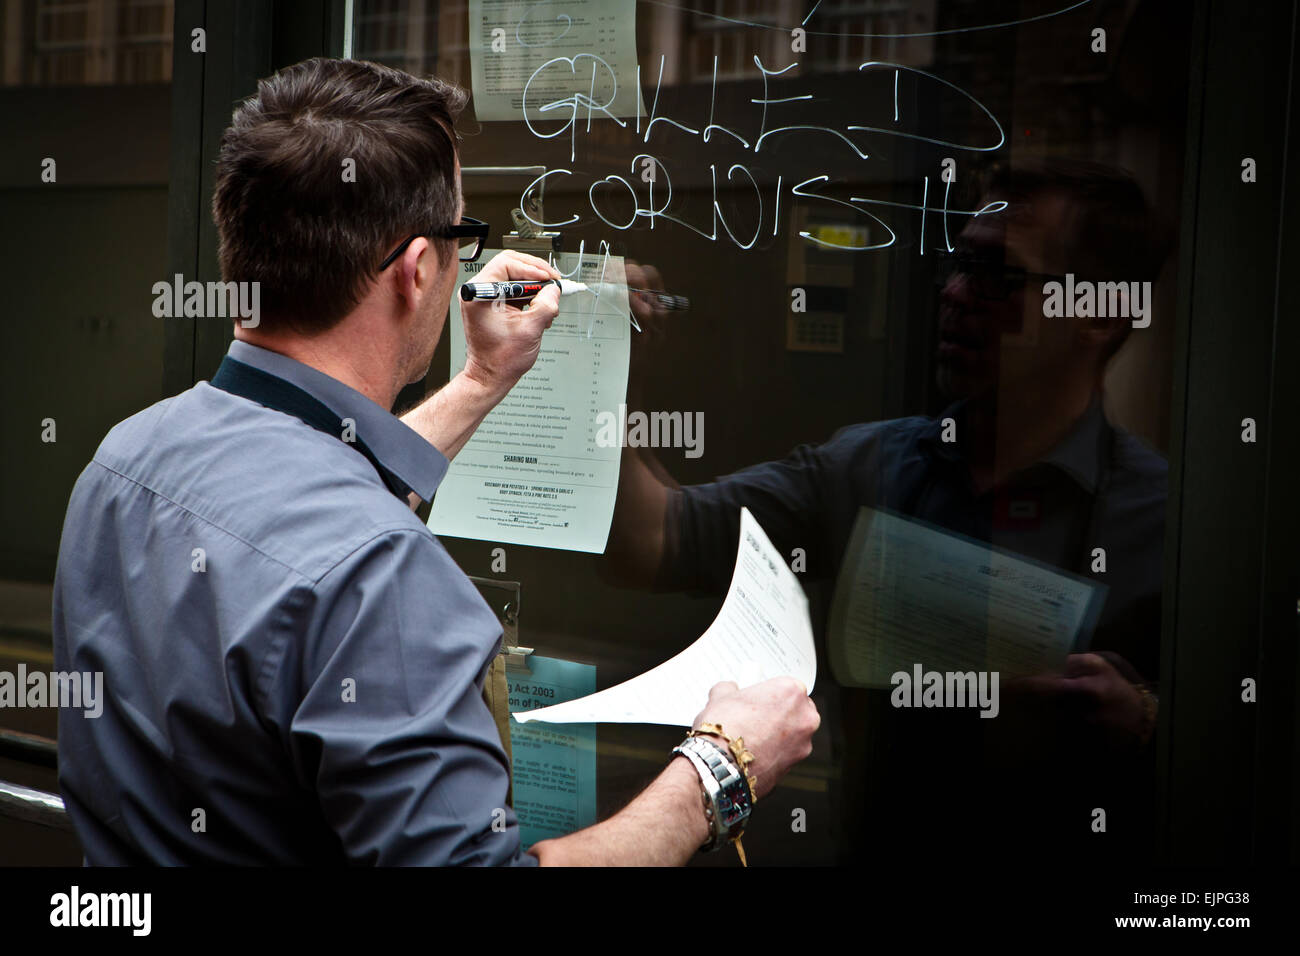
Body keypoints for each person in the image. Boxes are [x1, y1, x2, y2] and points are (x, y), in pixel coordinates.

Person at [50, 57, 818, 866]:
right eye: (460, 235)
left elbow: (310, 495)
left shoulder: (124, 461)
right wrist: (721, 768)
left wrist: (485, 378)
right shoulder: (380, 576)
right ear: (418, 271)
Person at [606, 159, 1170, 860]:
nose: (958, 294)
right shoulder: (871, 467)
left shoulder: (1170, 524)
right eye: (959, 265)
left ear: (1099, 314)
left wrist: (1147, 722)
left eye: (999, 278)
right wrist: (599, 365)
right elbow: (655, 538)